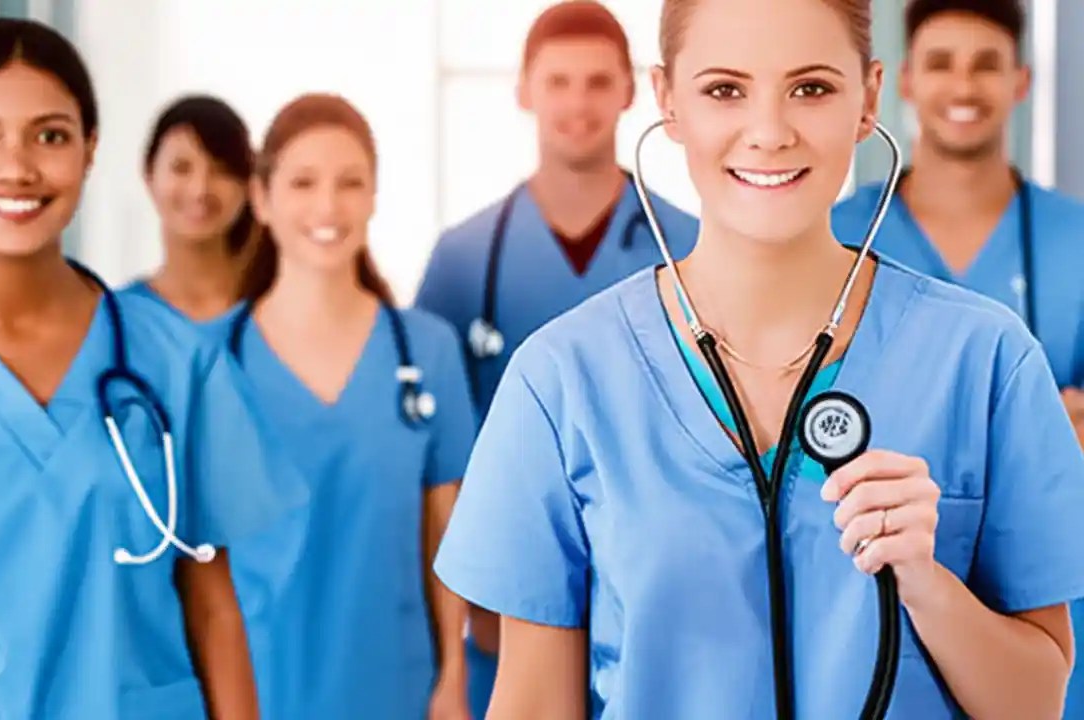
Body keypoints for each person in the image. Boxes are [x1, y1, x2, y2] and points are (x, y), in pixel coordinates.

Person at [434, 0, 1084, 717]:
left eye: (811, 88)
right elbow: (533, 704)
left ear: (868, 99)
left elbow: (1036, 701)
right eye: (723, 90)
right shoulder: (559, 381)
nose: (770, 132)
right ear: (667, 102)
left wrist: (925, 582)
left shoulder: (987, 362)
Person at [0, 18, 306, 719]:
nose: (17, 167)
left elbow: (214, 609)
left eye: (50, 135)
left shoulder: (175, 364)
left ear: (90, 150)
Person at [413, 4, 699, 711]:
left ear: (632, 92)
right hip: (503, 604)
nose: (578, 103)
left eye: (598, 82)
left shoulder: (693, 249)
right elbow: (432, 459)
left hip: (662, 589)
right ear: (523, 91)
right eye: (559, 81)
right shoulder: (462, 260)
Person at [226, 93, 477, 719]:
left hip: (397, 689)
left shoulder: (426, 351)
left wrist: (452, 677)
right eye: (303, 183)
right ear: (262, 198)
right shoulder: (209, 364)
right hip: (254, 692)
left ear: (373, 197)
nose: (328, 207)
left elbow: (445, 537)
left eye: (350, 183)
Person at [832, 0, 1083, 441]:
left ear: (1021, 82)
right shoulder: (838, 234)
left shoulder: (1073, 239)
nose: (963, 87)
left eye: (986, 66)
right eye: (940, 64)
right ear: (906, 82)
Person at [121, 95, 260, 336]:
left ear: (248, 185)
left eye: (221, 171)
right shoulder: (116, 320)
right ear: (149, 174)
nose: (200, 189)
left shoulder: (280, 314)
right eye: (181, 168)